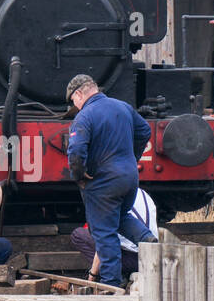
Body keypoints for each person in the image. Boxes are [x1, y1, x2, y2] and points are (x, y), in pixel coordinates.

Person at [65, 73, 156, 287]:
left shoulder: (84, 117)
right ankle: (148, 241)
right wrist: (131, 158)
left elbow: (76, 152)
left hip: (103, 182)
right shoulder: (122, 106)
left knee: (103, 232)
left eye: (73, 101)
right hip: (129, 177)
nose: (75, 106)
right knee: (121, 216)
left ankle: (110, 285)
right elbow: (145, 130)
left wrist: (79, 175)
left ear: (79, 94)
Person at [70, 186, 159, 281]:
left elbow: (104, 242)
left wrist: (92, 275)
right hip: (150, 254)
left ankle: (115, 275)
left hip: (133, 259)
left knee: (78, 235)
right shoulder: (141, 192)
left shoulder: (109, 197)